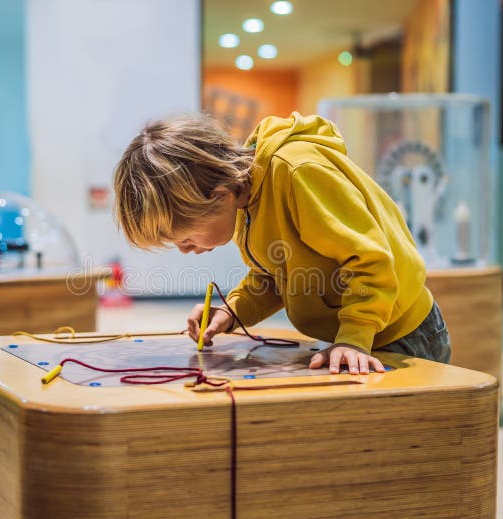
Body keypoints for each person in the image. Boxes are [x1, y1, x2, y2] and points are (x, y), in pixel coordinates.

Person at [113, 112, 451, 374]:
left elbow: (370, 260)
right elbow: (277, 276)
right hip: (358, 335)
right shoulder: (247, 199)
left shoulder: (297, 172)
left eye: (186, 238)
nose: (186, 249)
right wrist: (232, 312)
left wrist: (354, 338)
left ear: (220, 196)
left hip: (401, 334)